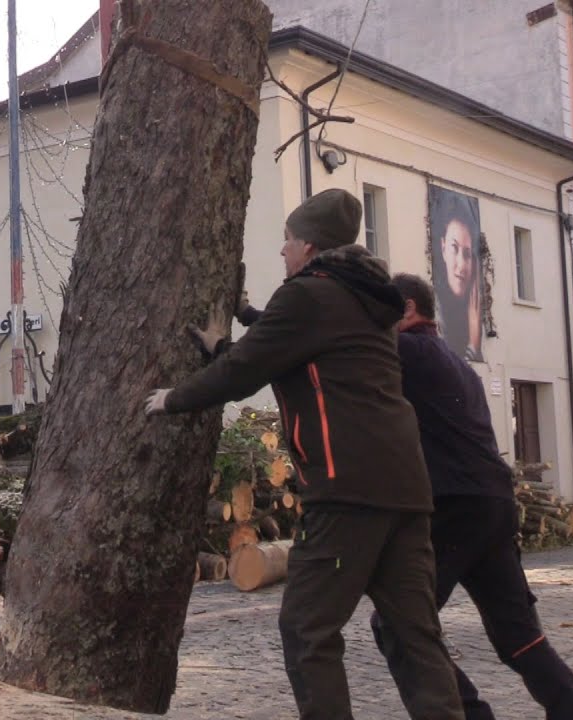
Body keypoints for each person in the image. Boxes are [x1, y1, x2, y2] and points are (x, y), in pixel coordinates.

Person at [144, 188, 463, 720]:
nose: (283, 250)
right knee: (414, 635)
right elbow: (297, 351)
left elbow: (248, 370)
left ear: (310, 246)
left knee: (306, 628)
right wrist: (238, 325)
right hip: (406, 490)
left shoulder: (309, 295)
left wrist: (172, 398)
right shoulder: (368, 300)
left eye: (288, 240)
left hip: (345, 492)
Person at [370, 273, 573, 720]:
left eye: (380, 312)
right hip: (494, 504)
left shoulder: (407, 351)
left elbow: (341, 348)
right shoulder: (455, 361)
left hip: (456, 506)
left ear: (407, 309)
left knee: (398, 623)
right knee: (517, 635)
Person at [432, 196, 483, 362]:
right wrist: (473, 345)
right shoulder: (435, 313)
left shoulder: (473, 309)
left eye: (467, 254)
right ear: (443, 248)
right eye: (454, 248)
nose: (461, 265)